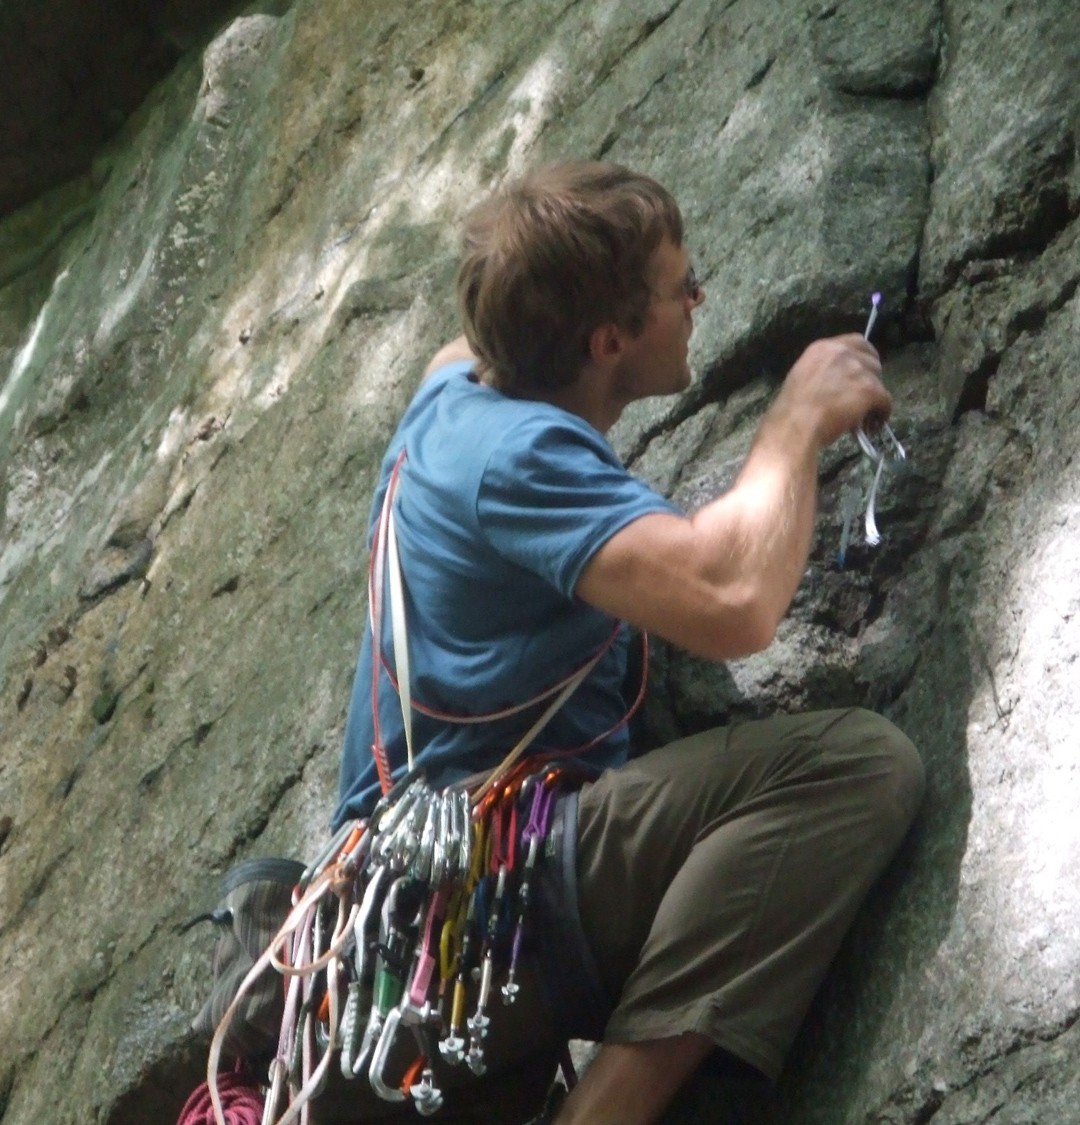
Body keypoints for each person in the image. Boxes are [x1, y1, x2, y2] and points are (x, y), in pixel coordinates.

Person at [327, 162, 925, 1124]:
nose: (700, 300)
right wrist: (797, 419)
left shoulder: (452, 391)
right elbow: (734, 598)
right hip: (475, 908)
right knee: (856, 764)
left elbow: (490, 315)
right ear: (609, 341)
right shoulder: (517, 458)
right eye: (682, 288)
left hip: (407, 924)